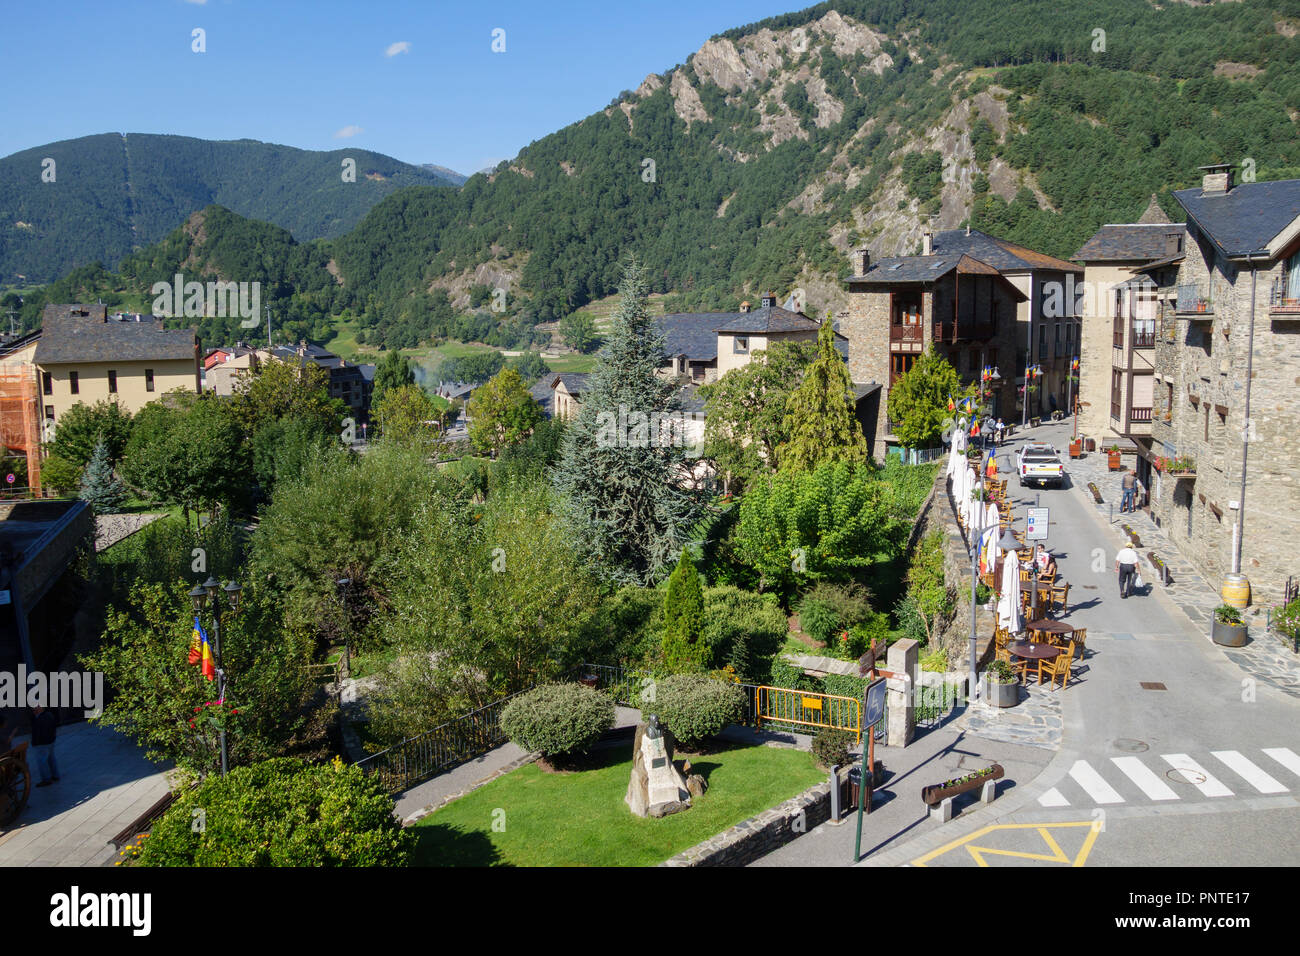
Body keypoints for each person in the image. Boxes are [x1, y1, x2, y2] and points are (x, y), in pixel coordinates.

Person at [30, 704, 58, 787]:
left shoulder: (39, 719)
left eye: (35, 708)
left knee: (42, 762)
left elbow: (38, 733)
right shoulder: (49, 715)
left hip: (42, 743)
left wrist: (35, 743)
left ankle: (46, 779)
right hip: (50, 741)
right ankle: (55, 775)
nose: (33, 710)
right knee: (51, 759)